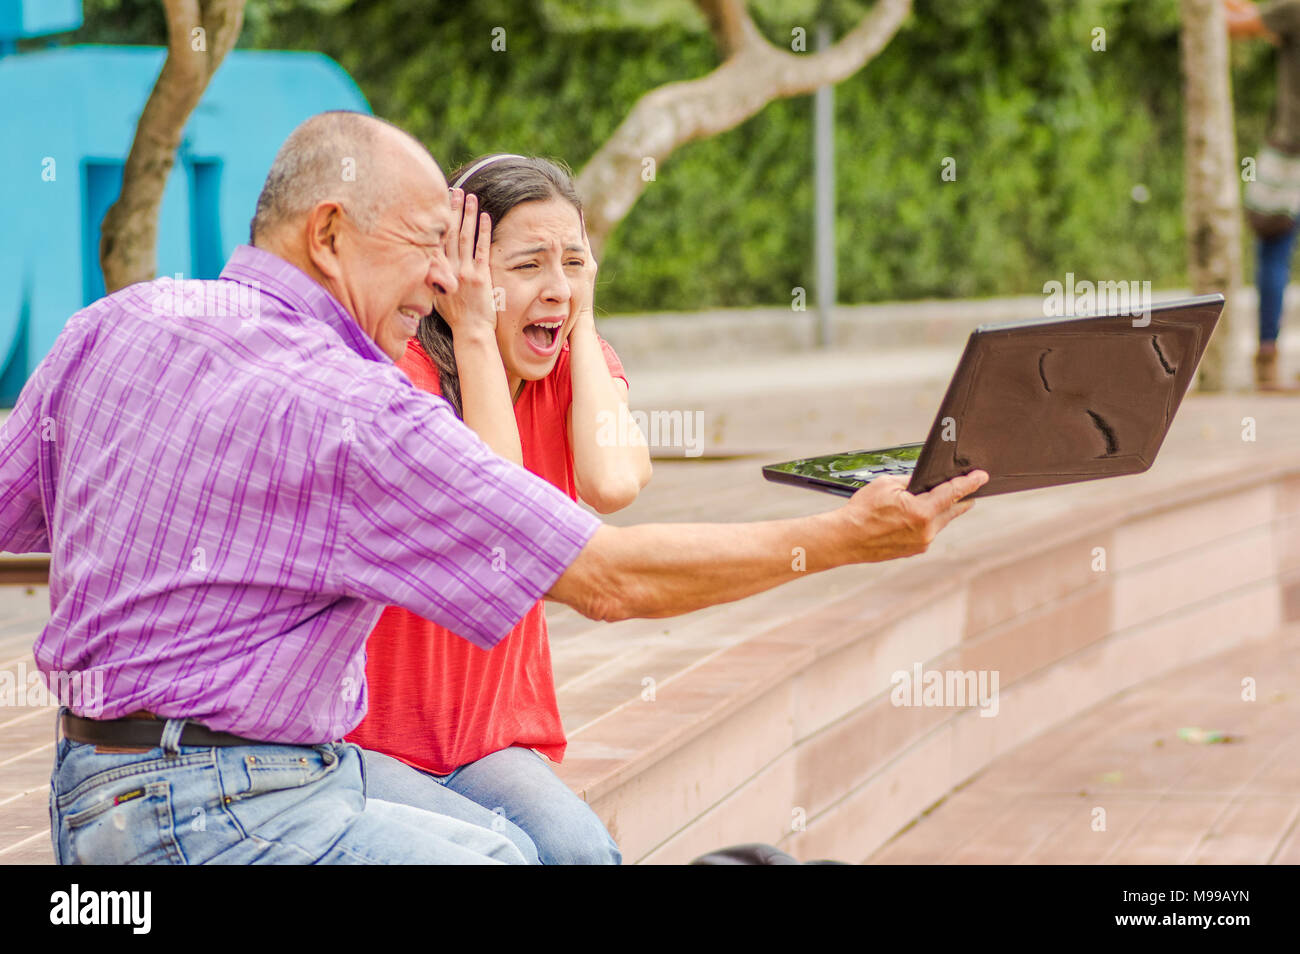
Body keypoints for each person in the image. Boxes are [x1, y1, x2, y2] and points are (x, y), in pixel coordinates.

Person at [0, 110, 985, 865]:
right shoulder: (362, 409)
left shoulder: (120, 323)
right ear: (330, 233)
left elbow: (14, 519)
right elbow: (610, 581)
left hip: (98, 792)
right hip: (232, 808)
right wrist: (847, 537)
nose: (445, 281)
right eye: (430, 244)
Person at [346, 154, 650, 865]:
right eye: (528, 265)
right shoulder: (401, 373)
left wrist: (579, 313)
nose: (555, 287)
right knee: (502, 854)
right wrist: (477, 329)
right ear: (463, 273)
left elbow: (611, 481)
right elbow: (500, 515)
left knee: (583, 853)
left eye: (574, 261)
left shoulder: (574, 365)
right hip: (362, 742)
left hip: (485, 741)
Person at [1227, 0, 1300, 389]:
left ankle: (1267, 358)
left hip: (1292, 149)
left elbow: (1237, 26)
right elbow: (1259, 20)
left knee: (1273, 248)